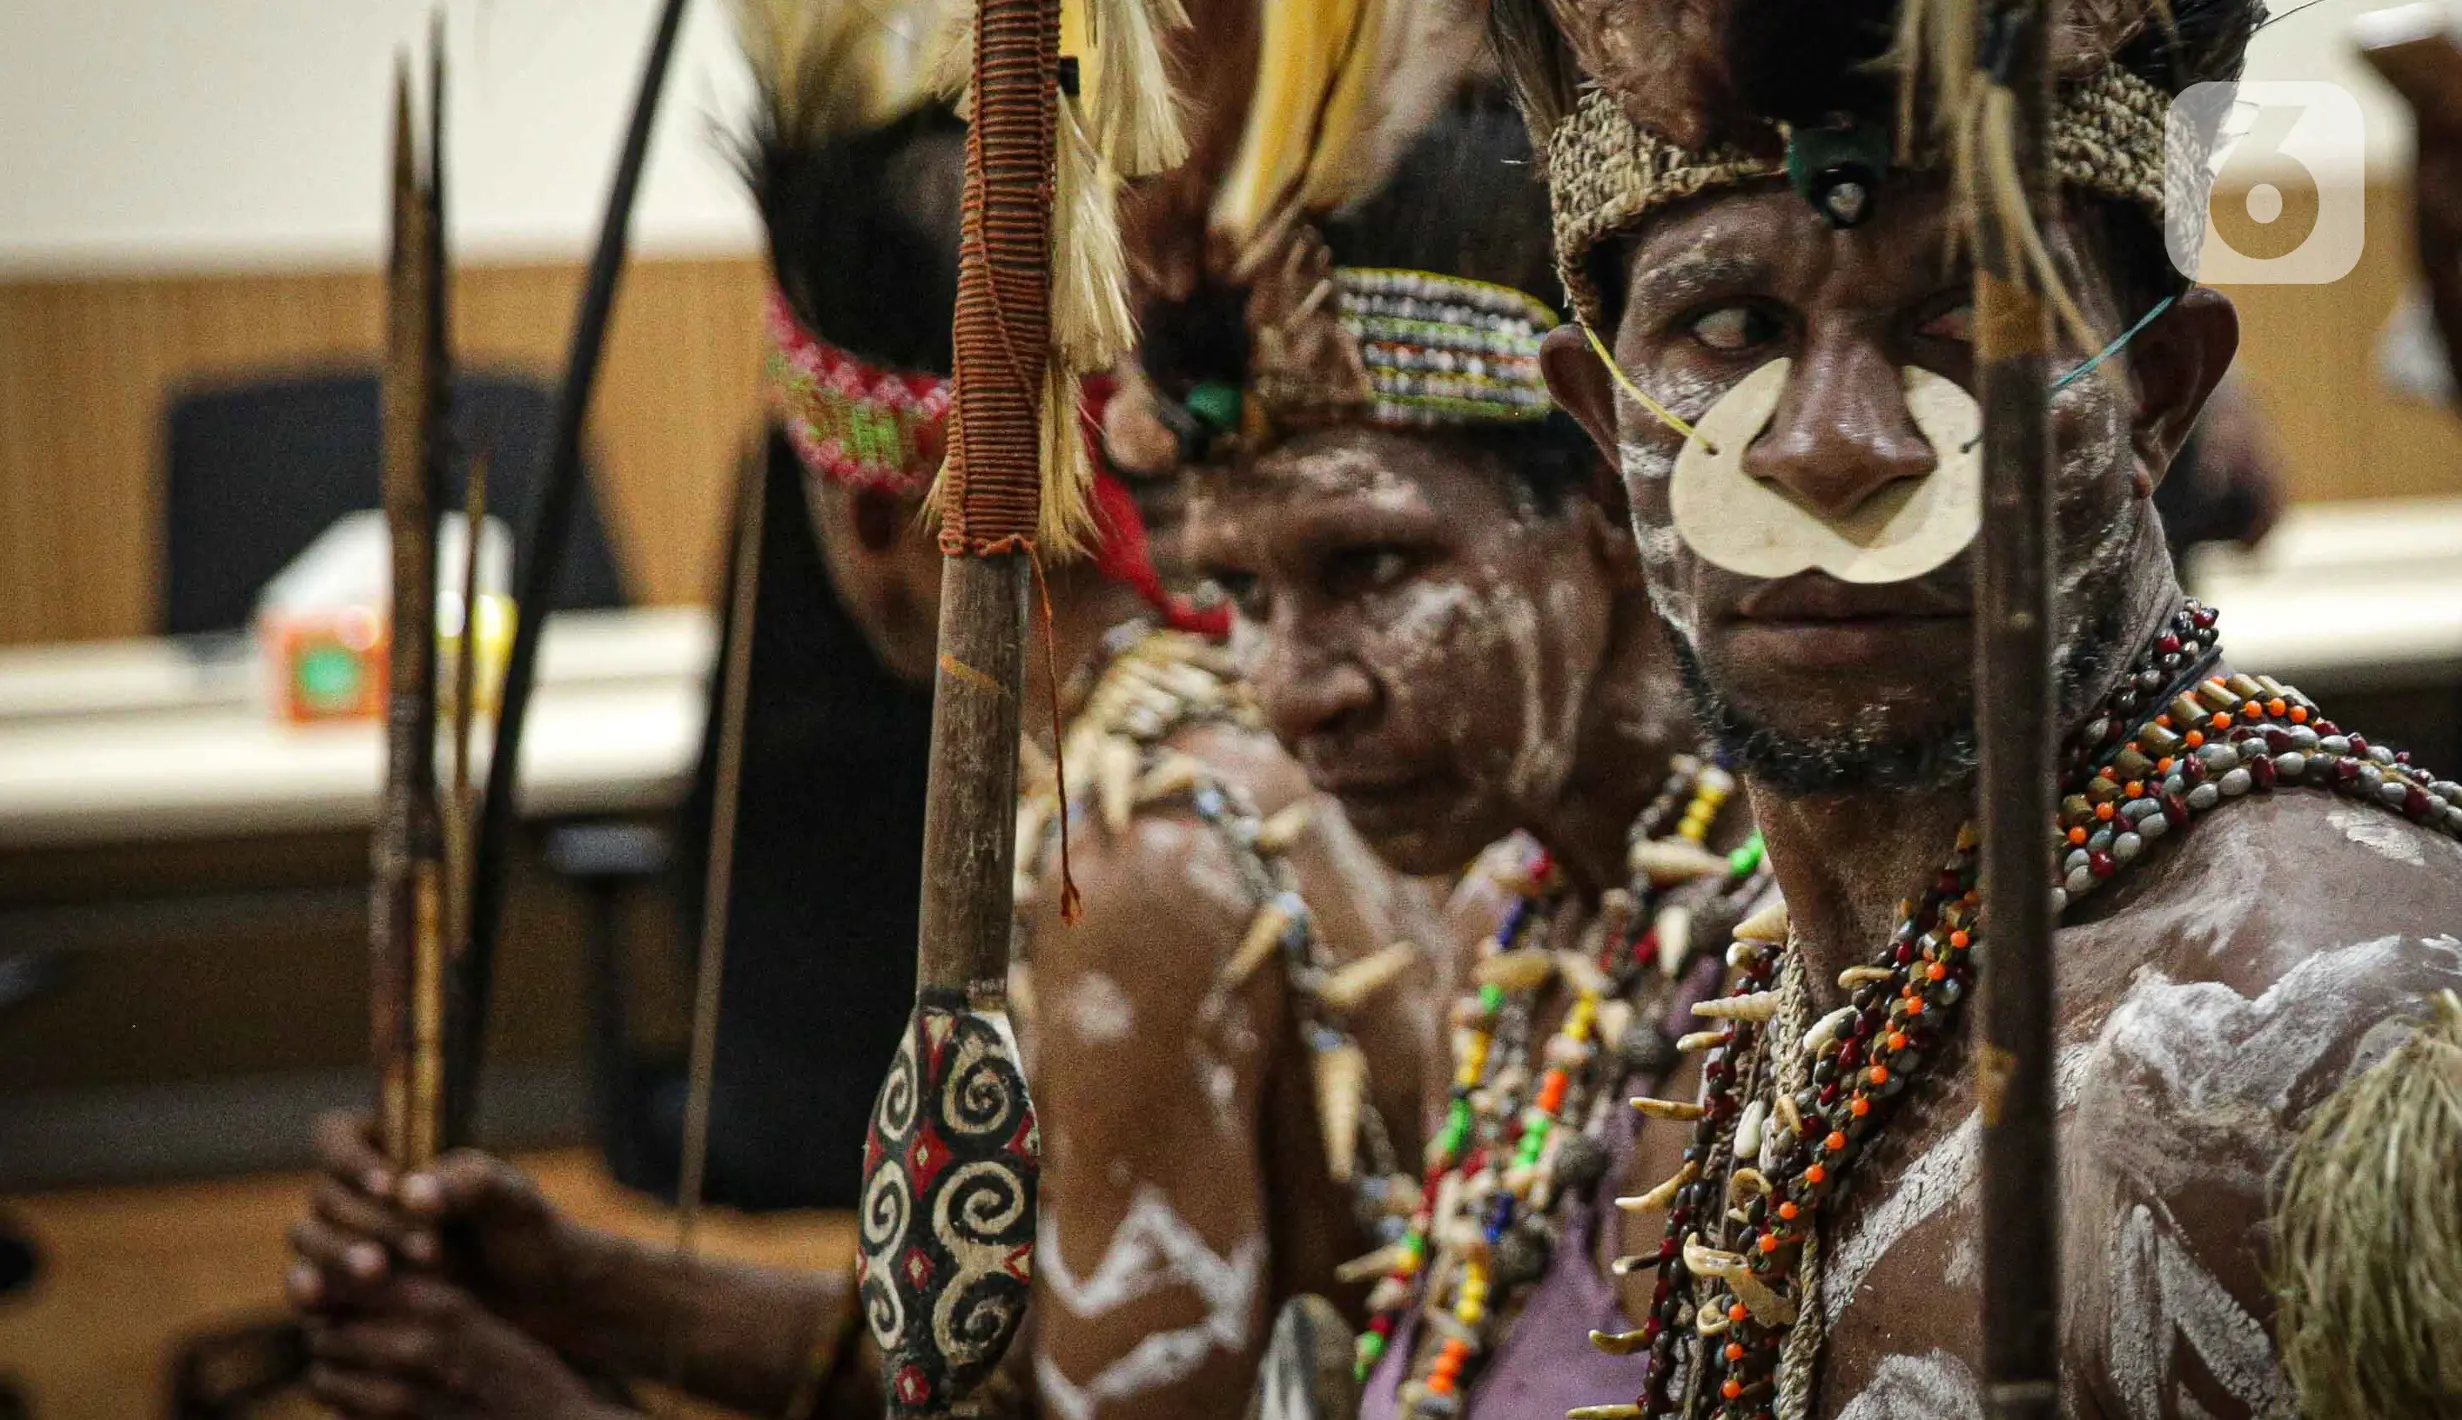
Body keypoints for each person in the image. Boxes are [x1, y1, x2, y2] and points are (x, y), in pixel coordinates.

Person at [283, 4, 1445, 1417]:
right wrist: (586, 1289)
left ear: (875, 511)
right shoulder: (1250, 741)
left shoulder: (1135, 860)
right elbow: (1010, 1364)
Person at [1479, 0, 2462, 1414]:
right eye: (1732, 328)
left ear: (2157, 394)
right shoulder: (1788, 1006)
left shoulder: (2309, 1042)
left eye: (1964, 321)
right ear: (1601, 415)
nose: (1832, 450)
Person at [1168, 77, 1773, 1419]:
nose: (1291, 691)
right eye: (1240, 593)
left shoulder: (1810, 967)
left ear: (1607, 495)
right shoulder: (1510, 932)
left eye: (1371, 564)